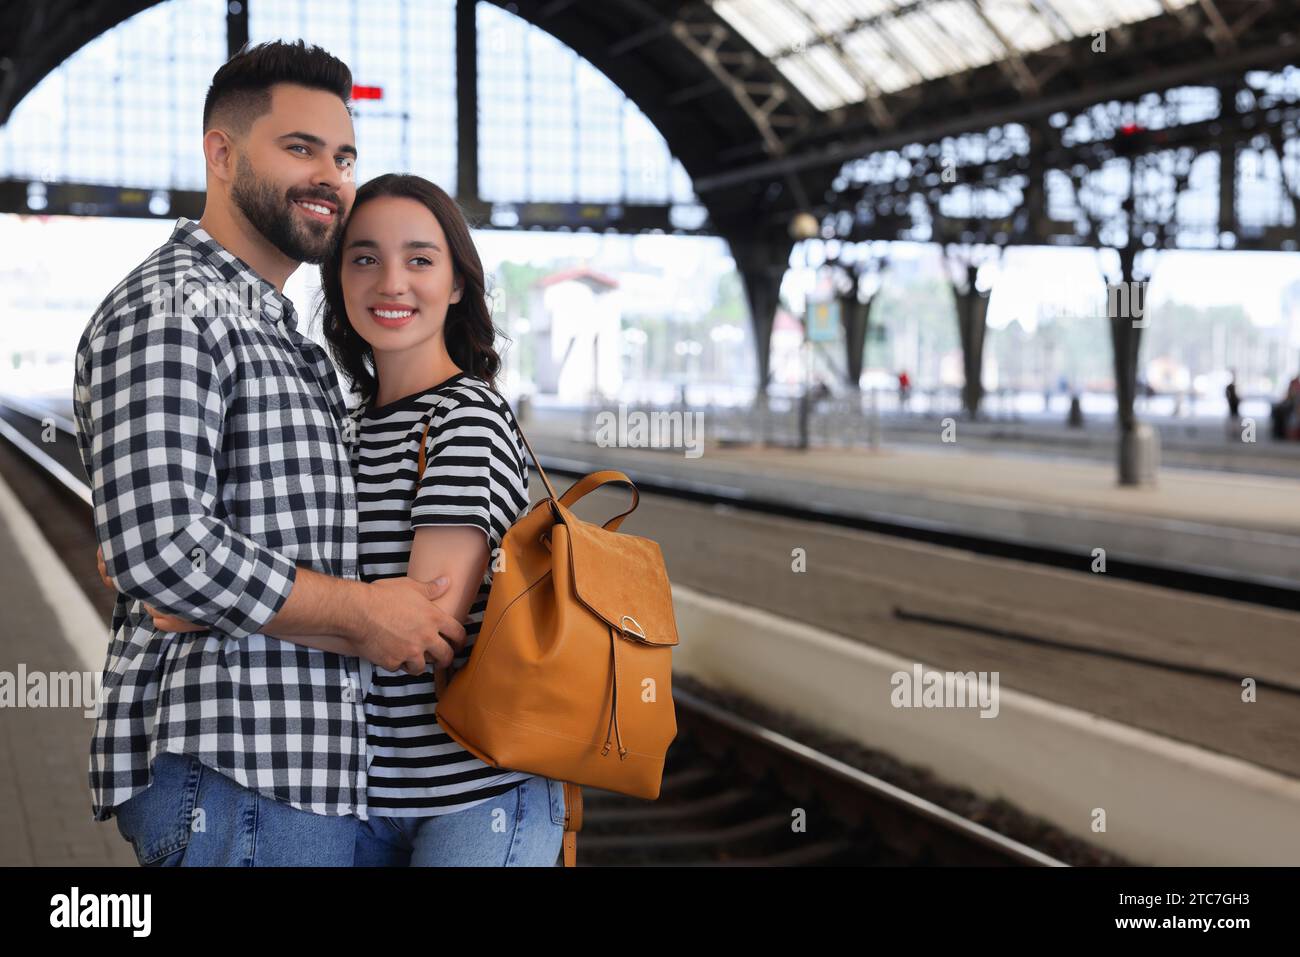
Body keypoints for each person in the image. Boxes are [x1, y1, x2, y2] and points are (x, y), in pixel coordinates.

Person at [75, 41, 467, 866]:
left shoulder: (274, 328)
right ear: (221, 153)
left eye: (344, 155)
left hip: (289, 779)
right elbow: (165, 548)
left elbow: (181, 553)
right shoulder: (177, 310)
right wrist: (362, 616)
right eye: (300, 148)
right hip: (239, 776)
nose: (331, 176)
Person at [137, 174, 566, 866]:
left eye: (420, 260)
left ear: (457, 284)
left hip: (478, 791)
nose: (391, 282)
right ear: (336, 280)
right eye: (363, 258)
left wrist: (214, 603)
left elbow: (420, 632)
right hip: (362, 795)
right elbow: (317, 581)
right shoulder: (344, 425)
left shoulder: (466, 417)